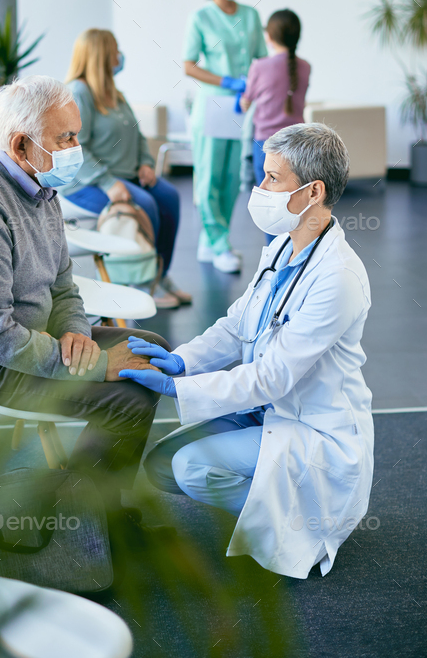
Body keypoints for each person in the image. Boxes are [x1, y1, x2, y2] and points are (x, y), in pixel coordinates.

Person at [0, 75, 172, 537]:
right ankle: (66, 513)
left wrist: (77, 335)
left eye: (76, 134)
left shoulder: (38, 185)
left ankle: (87, 505)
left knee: (147, 351)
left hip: (30, 335)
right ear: (21, 145)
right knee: (127, 392)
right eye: (65, 137)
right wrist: (93, 367)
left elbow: (63, 282)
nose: (76, 147)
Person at [119, 123, 374, 580]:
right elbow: (238, 324)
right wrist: (183, 359)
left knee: (190, 467)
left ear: (313, 192)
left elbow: (273, 376)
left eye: (273, 178)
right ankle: (273, 504)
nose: (260, 190)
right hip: (268, 410)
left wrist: (181, 388)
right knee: (162, 467)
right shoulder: (280, 247)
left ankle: (301, 524)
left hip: (313, 427)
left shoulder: (338, 277)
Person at [61, 29, 191, 309]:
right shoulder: (79, 92)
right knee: (144, 204)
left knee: (168, 197)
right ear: (101, 55)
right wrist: (108, 183)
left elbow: (137, 133)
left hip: (125, 174)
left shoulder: (113, 92)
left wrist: (145, 162)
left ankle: (160, 274)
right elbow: (76, 146)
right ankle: (145, 285)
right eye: (115, 49)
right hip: (87, 183)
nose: (120, 56)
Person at [183, 0, 267, 274]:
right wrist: (226, 81)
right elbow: (189, 65)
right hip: (215, 104)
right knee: (208, 178)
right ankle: (219, 244)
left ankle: (214, 236)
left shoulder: (250, 15)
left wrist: (251, 88)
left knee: (232, 177)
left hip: (241, 105)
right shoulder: (201, 17)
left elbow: (261, 59)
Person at [241, 9, 311, 189]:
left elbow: (247, 102)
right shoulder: (305, 67)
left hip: (266, 144)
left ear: (269, 36)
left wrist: (243, 100)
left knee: (266, 196)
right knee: (293, 195)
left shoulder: (259, 66)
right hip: (297, 144)